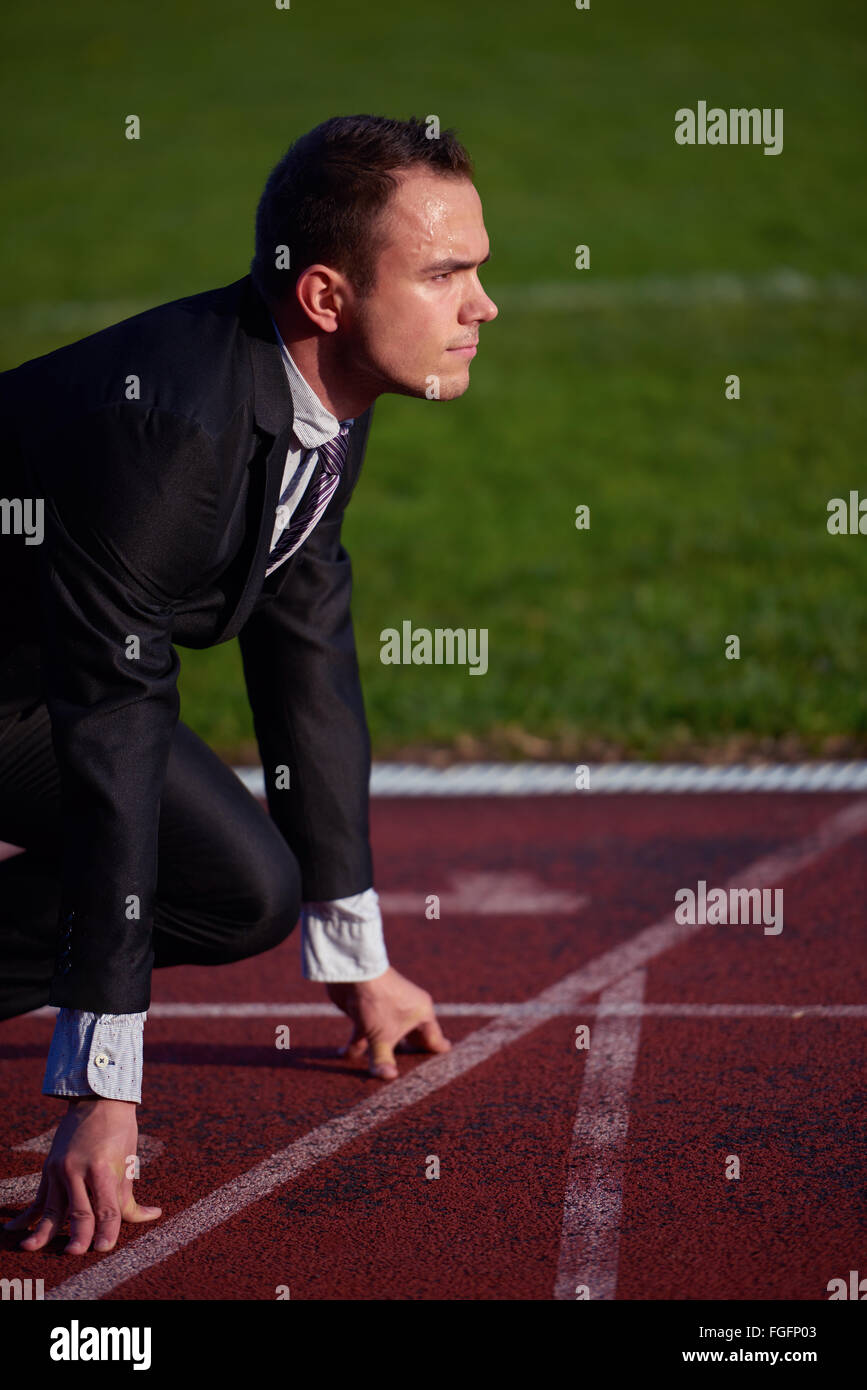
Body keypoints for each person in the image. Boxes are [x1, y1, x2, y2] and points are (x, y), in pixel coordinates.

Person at [0, 113, 498, 1255]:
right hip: (38, 686)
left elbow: (303, 646)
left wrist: (356, 954)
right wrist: (102, 1089)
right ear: (327, 296)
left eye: (480, 267)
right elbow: (116, 737)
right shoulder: (169, 429)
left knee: (241, 887)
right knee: (170, 839)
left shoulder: (333, 385)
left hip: (33, 677)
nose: (484, 306)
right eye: (446, 273)